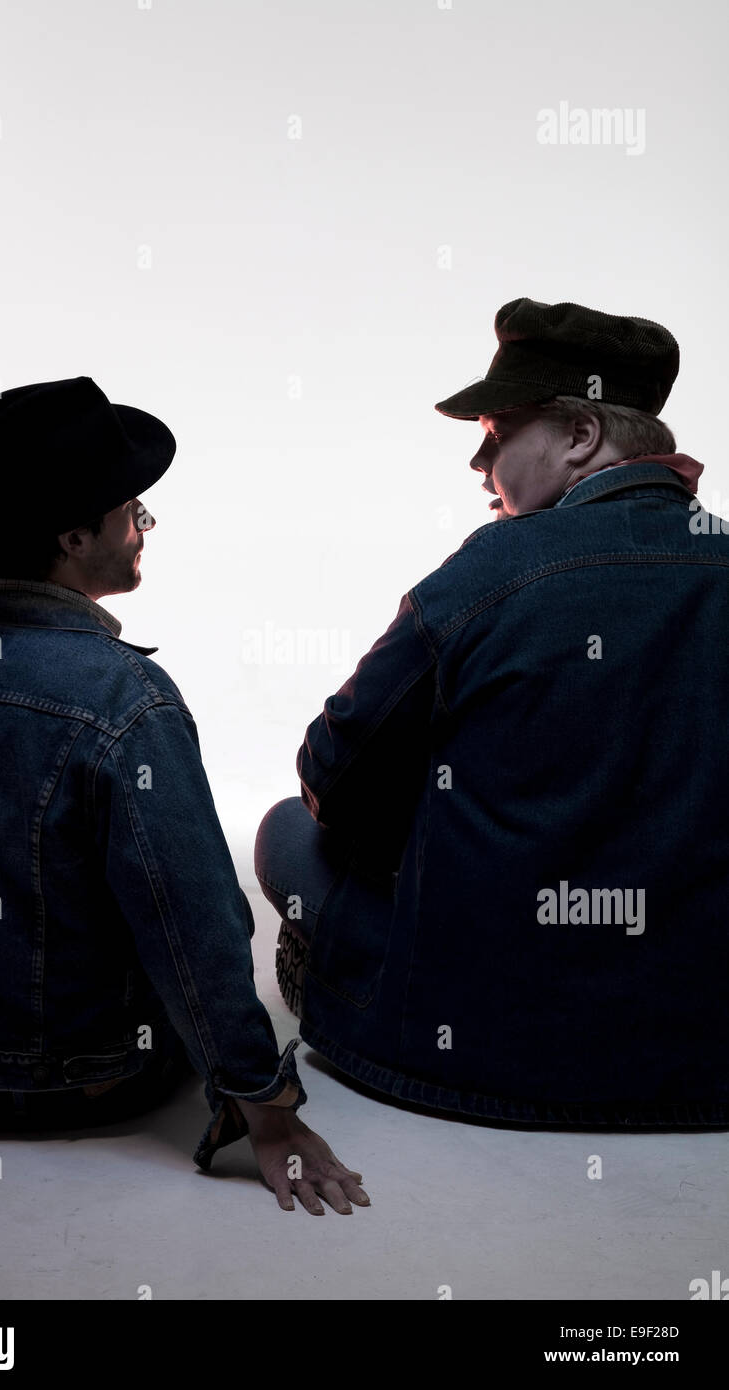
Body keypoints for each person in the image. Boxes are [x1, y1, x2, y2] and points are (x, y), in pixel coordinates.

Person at [0, 376, 369, 1216]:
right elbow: (193, 919)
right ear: (73, 535)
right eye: (134, 512)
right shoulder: (125, 700)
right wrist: (267, 1109)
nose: (143, 530)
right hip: (84, 1085)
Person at [256, 296, 729, 1129]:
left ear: (580, 436)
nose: (480, 461)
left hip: (479, 1054)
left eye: (496, 431)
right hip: (706, 1058)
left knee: (285, 828)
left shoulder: (495, 566)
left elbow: (337, 777)